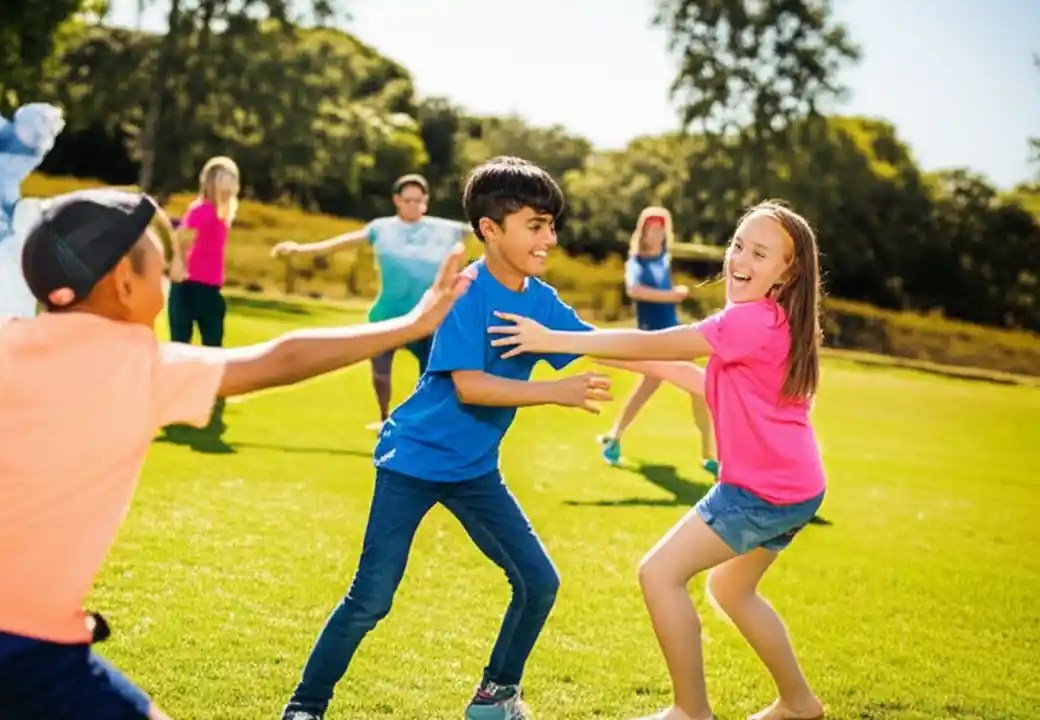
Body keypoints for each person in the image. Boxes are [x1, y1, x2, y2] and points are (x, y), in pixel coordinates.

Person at [0, 187, 472, 720]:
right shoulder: (150, 369)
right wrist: (410, 324)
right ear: (124, 283)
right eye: (161, 268)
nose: (167, 280)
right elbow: (282, 357)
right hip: (16, 652)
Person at [281, 157, 612, 720]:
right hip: (411, 461)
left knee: (538, 582)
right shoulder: (467, 291)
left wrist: (703, 352)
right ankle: (305, 707)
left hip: (473, 470)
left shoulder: (540, 299)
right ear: (490, 229)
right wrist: (554, 391)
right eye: (536, 225)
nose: (549, 238)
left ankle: (495, 696)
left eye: (552, 225)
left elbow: (605, 342)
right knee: (372, 598)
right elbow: (470, 387)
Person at [487, 200, 828, 720]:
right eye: (738, 245)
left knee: (659, 574)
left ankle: (691, 712)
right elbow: (692, 377)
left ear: (789, 271)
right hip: (797, 490)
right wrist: (586, 347)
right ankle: (798, 703)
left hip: (761, 493)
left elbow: (657, 341)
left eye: (760, 253)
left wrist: (553, 338)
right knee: (731, 589)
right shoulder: (776, 322)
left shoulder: (748, 322)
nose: (741, 258)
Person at [271, 174, 472, 429]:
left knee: (432, 375)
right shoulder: (381, 228)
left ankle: (423, 422)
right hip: (387, 314)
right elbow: (341, 243)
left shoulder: (447, 229)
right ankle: (384, 418)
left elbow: (487, 231)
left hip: (430, 317)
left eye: (418, 200)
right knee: (380, 372)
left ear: (426, 201)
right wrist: (300, 250)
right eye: (407, 200)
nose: (413, 205)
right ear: (397, 200)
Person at [599, 206, 717, 477]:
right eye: (651, 229)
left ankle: (710, 455)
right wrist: (672, 295)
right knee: (650, 388)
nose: (656, 234)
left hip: (674, 334)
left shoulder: (663, 257)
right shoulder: (636, 263)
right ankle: (614, 439)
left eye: (660, 230)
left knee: (699, 388)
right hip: (652, 337)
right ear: (643, 232)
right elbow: (634, 291)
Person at [169, 156, 239, 347]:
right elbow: (182, 239)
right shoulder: (202, 209)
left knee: (213, 346)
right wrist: (179, 268)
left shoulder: (221, 214)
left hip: (210, 288)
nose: (230, 190)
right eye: (226, 183)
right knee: (181, 345)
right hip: (190, 286)